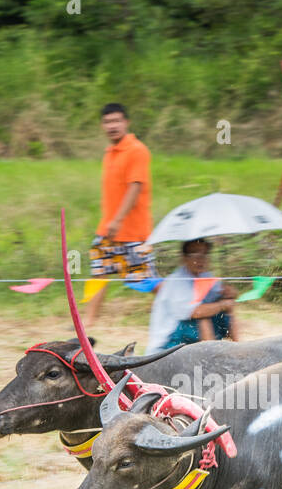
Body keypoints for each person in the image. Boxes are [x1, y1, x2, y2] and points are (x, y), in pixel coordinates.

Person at [84, 103, 153, 327]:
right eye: (107, 122)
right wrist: (111, 223)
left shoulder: (137, 150)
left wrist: (119, 220)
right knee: (98, 273)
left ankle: (179, 311)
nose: (112, 126)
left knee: (146, 280)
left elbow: (135, 187)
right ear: (102, 125)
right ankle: (89, 322)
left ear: (126, 123)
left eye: (116, 121)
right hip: (108, 230)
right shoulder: (110, 152)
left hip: (132, 230)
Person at [146, 238, 240, 350]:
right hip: (168, 343)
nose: (200, 259)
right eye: (195, 254)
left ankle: (239, 351)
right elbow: (196, 312)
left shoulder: (204, 275)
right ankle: (211, 358)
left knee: (225, 313)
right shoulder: (177, 281)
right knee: (203, 316)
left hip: (188, 333)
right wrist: (223, 305)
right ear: (184, 258)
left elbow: (221, 294)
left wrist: (228, 293)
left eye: (204, 254)